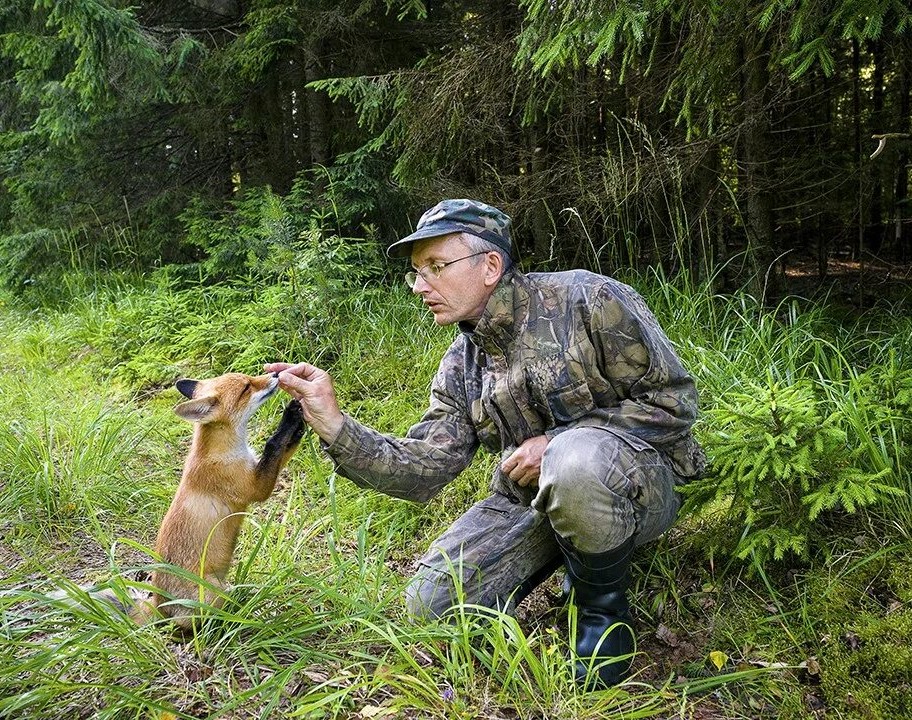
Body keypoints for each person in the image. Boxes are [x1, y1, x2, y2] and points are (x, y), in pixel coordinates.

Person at [266, 199, 705, 688]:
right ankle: (572, 547)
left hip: (644, 483)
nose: (419, 286)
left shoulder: (588, 299)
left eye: (435, 267)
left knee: (575, 459)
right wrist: (332, 423)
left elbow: (673, 404)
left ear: (490, 265)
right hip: (531, 500)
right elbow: (425, 467)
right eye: (415, 272)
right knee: (429, 604)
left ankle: (600, 614)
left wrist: (555, 442)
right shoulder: (462, 363)